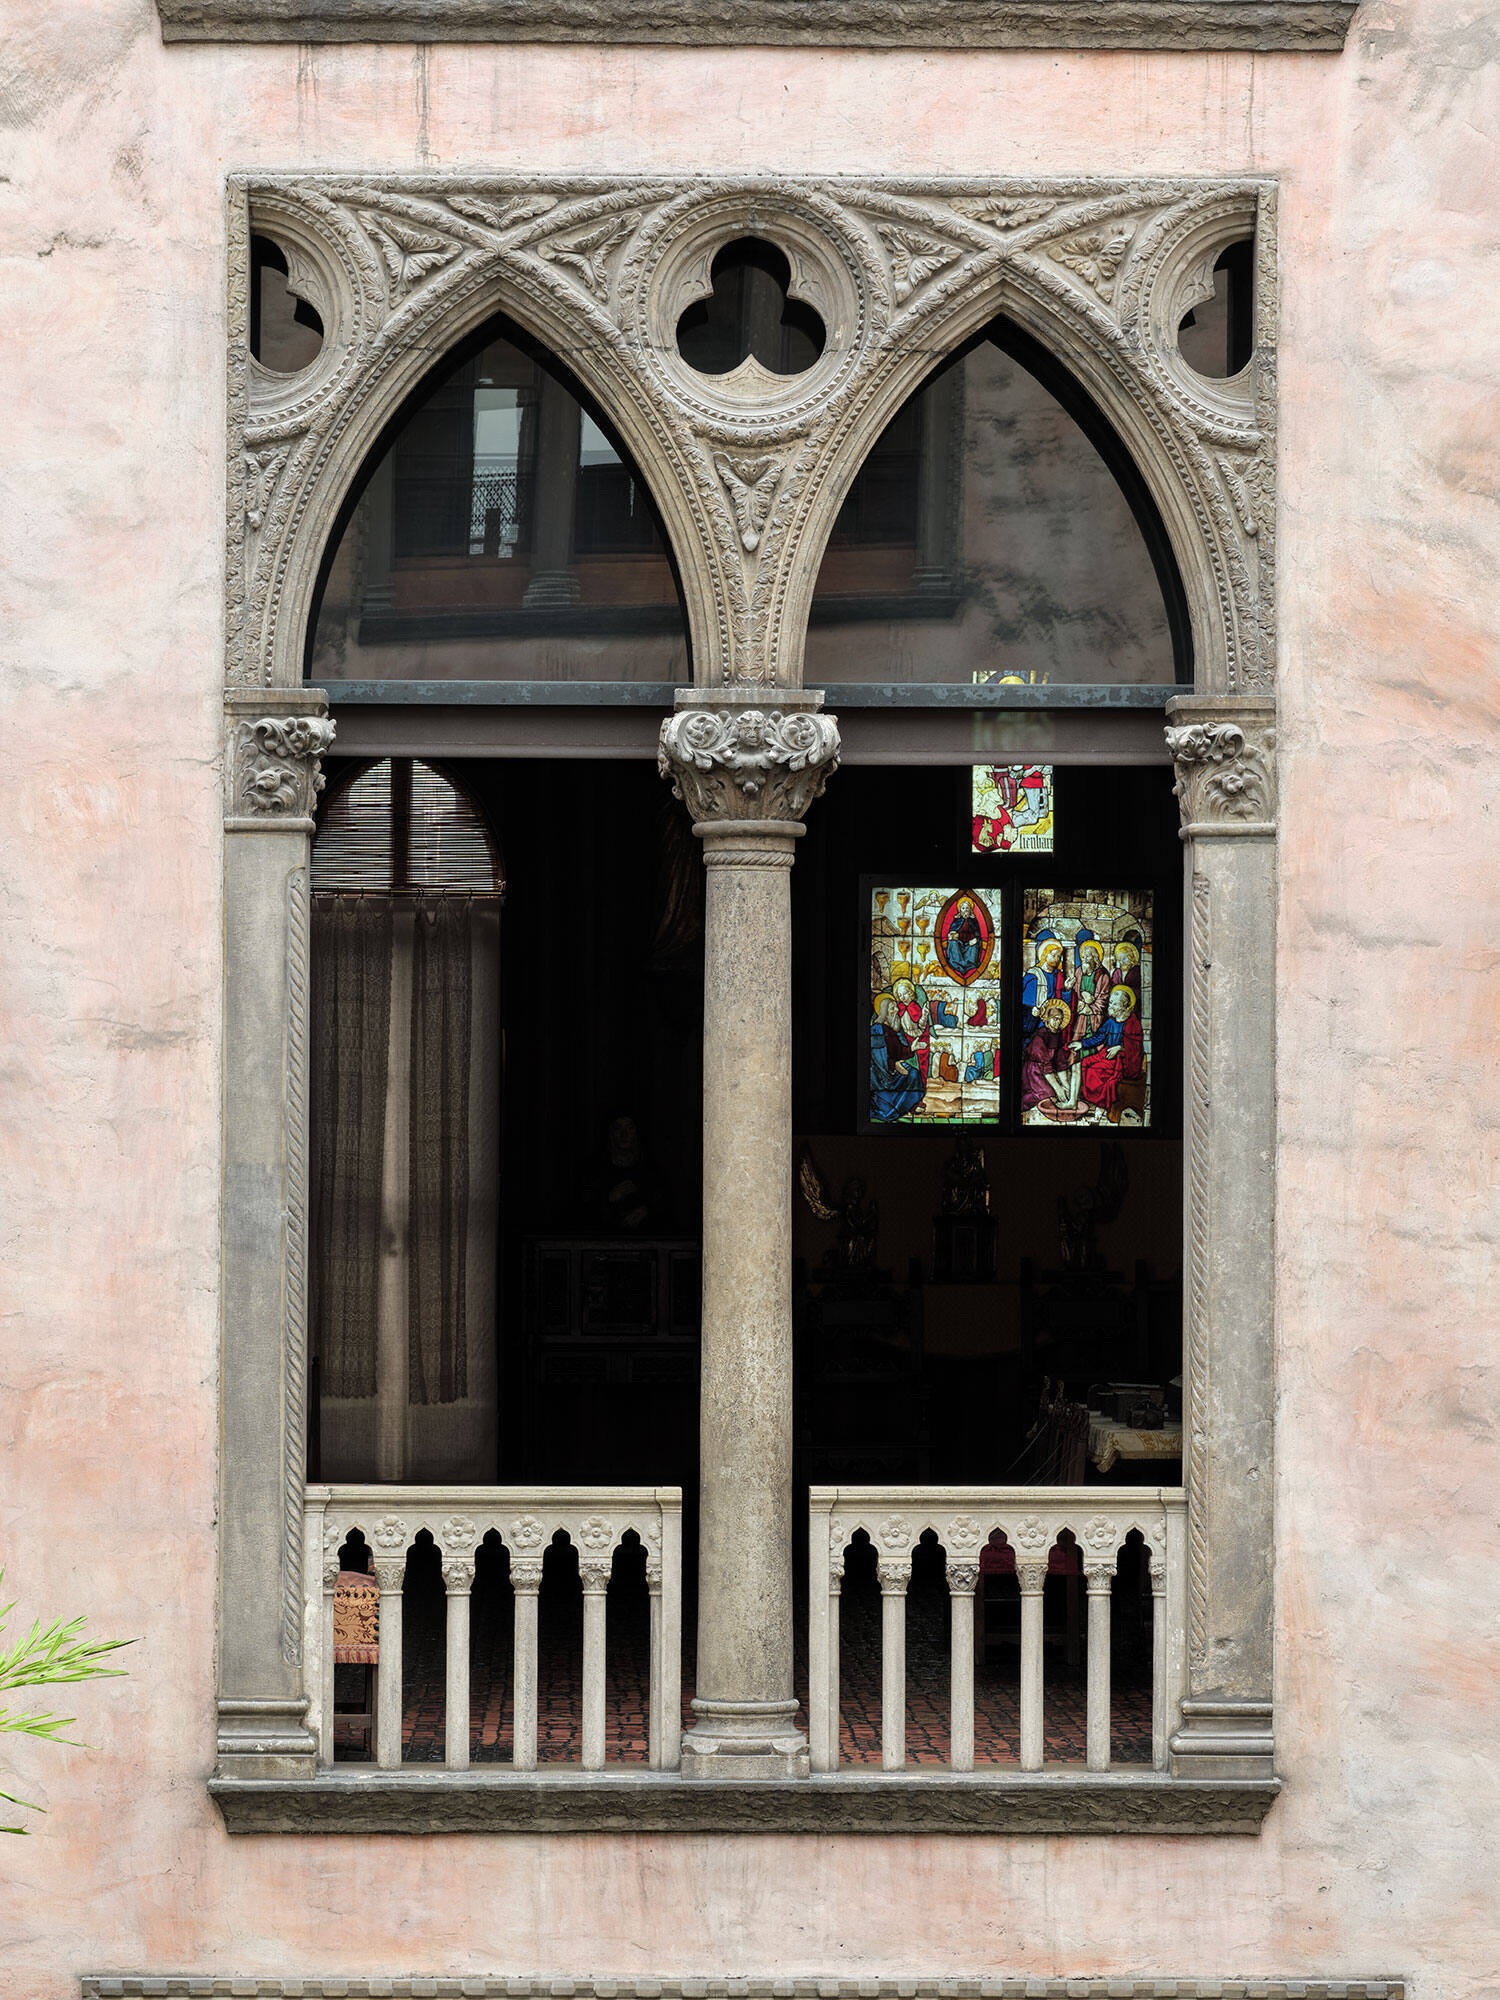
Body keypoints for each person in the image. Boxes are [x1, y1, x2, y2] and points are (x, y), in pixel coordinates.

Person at [1073, 986, 1146, 1117]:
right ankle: (1090, 1099)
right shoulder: (1110, 1022)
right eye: (1110, 1002)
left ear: (1125, 1006)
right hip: (1108, 1054)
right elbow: (1099, 1037)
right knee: (1086, 1063)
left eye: (1114, 1003)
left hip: (1122, 1060)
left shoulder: (1133, 1023)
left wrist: (1120, 1048)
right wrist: (1082, 1044)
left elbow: (1135, 1048)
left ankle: (1100, 1104)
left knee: (1098, 1072)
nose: (1110, 1005)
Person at [870, 993, 924, 1121]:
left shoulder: (895, 1030)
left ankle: (910, 1105)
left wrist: (912, 1048)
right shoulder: (876, 1030)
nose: (897, 1010)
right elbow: (878, 1058)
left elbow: (900, 1051)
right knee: (885, 1109)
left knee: (914, 1074)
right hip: (880, 1075)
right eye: (892, 1008)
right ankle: (889, 1106)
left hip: (893, 1068)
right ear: (884, 1012)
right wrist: (893, 1065)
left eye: (896, 1007)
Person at [1021, 997, 1075, 1114]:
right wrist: (1058, 1088)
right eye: (1054, 1019)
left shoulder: (1057, 1035)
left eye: (1060, 1020)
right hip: (1034, 1071)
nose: (1058, 1022)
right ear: (1047, 1020)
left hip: (1047, 1071)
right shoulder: (1040, 1036)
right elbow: (1045, 1065)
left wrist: (1066, 1086)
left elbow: (1060, 1063)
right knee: (1046, 1094)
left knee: (1059, 1093)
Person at [1072, 935, 1111, 1042]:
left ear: (1095, 957)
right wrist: (1078, 1003)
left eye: (1088, 956)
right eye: (1083, 957)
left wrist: (1091, 1009)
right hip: (1079, 1015)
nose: (1085, 960)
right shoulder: (1078, 972)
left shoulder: (1103, 975)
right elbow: (1074, 992)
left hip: (1094, 1017)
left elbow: (1104, 998)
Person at [942, 896, 985, 979]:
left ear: (970, 910)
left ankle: (970, 964)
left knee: (974, 945)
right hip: (959, 945)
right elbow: (952, 932)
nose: (965, 910)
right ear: (960, 910)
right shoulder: (956, 921)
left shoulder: (973, 921)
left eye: (967, 908)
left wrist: (976, 940)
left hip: (970, 945)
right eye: (963, 908)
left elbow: (978, 935)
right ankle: (956, 963)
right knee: (952, 943)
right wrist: (952, 936)